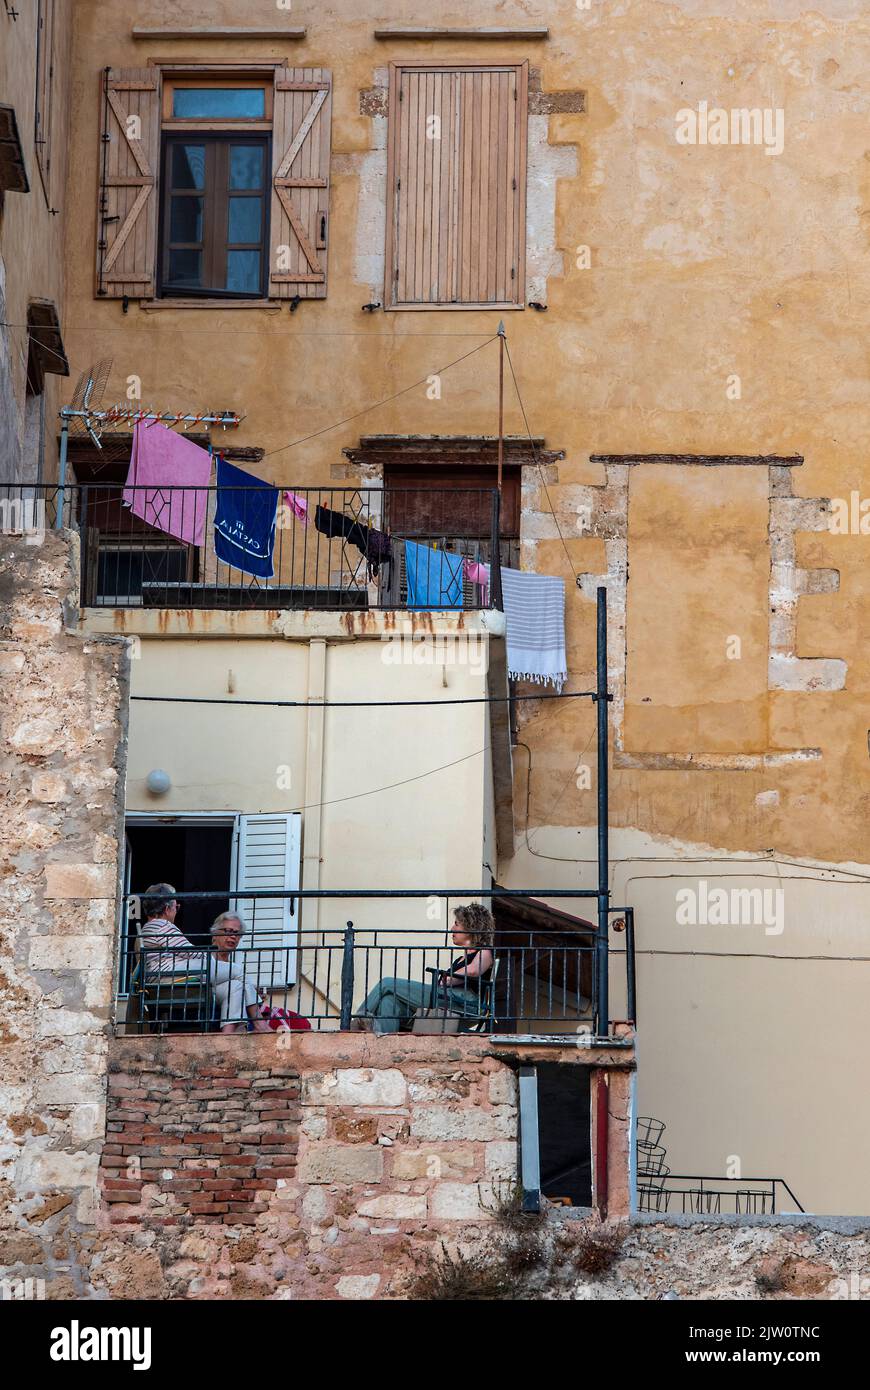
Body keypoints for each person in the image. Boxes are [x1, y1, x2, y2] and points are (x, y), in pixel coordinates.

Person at [139, 887, 269, 1033]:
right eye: (177, 906)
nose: (177, 911)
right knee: (236, 970)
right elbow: (190, 953)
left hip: (172, 976)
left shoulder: (151, 927)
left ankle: (229, 1035)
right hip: (171, 978)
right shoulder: (161, 925)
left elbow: (185, 952)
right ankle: (259, 1023)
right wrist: (209, 957)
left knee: (235, 986)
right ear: (167, 908)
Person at [356, 903, 495, 1034]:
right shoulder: (459, 960)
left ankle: (356, 1019)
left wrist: (448, 979)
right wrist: (446, 980)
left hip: (465, 1002)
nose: (452, 928)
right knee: (389, 1001)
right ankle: (383, 1039)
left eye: (457, 924)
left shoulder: (485, 952)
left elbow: (474, 970)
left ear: (471, 927)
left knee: (387, 983)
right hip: (446, 998)